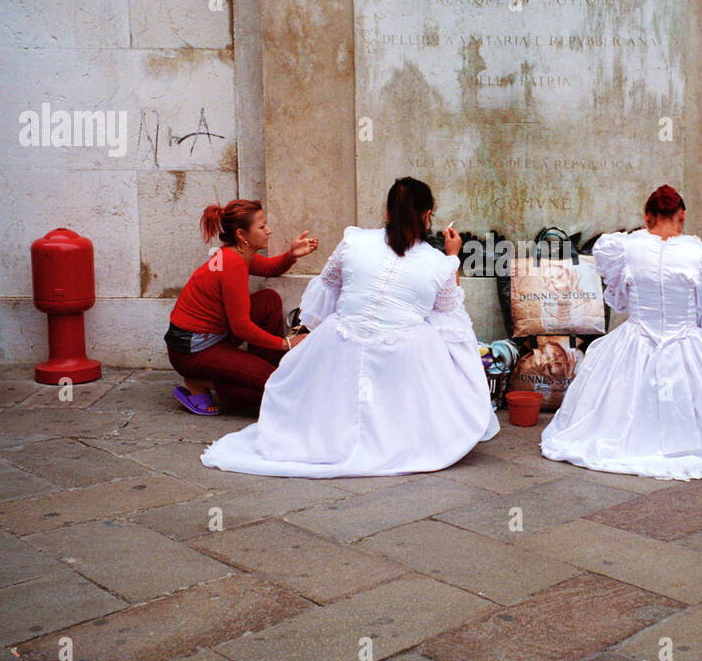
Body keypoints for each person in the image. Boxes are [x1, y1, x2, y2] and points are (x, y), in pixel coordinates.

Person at [201, 177, 499, 477]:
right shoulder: (438, 262)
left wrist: (311, 330)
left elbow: (328, 286)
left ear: (387, 211)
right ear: (427, 215)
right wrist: (452, 257)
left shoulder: (354, 241)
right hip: (401, 354)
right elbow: (451, 317)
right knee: (434, 332)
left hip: (342, 341)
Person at [540, 185, 702, 479]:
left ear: (647, 216)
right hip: (686, 336)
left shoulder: (623, 248)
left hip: (635, 338)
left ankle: (631, 440)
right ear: (682, 216)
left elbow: (620, 300)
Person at [165, 200, 319, 414]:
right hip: (192, 353)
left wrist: (292, 254)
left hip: (211, 337)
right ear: (241, 234)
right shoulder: (232, 264)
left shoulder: (236, 253)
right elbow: (242, 328)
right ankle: (202, 382)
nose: (269, 231)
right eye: (262, 226)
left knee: (269, 300)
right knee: (280, 392)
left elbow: (271, 268)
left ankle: (254, 371)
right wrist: (286, 343)